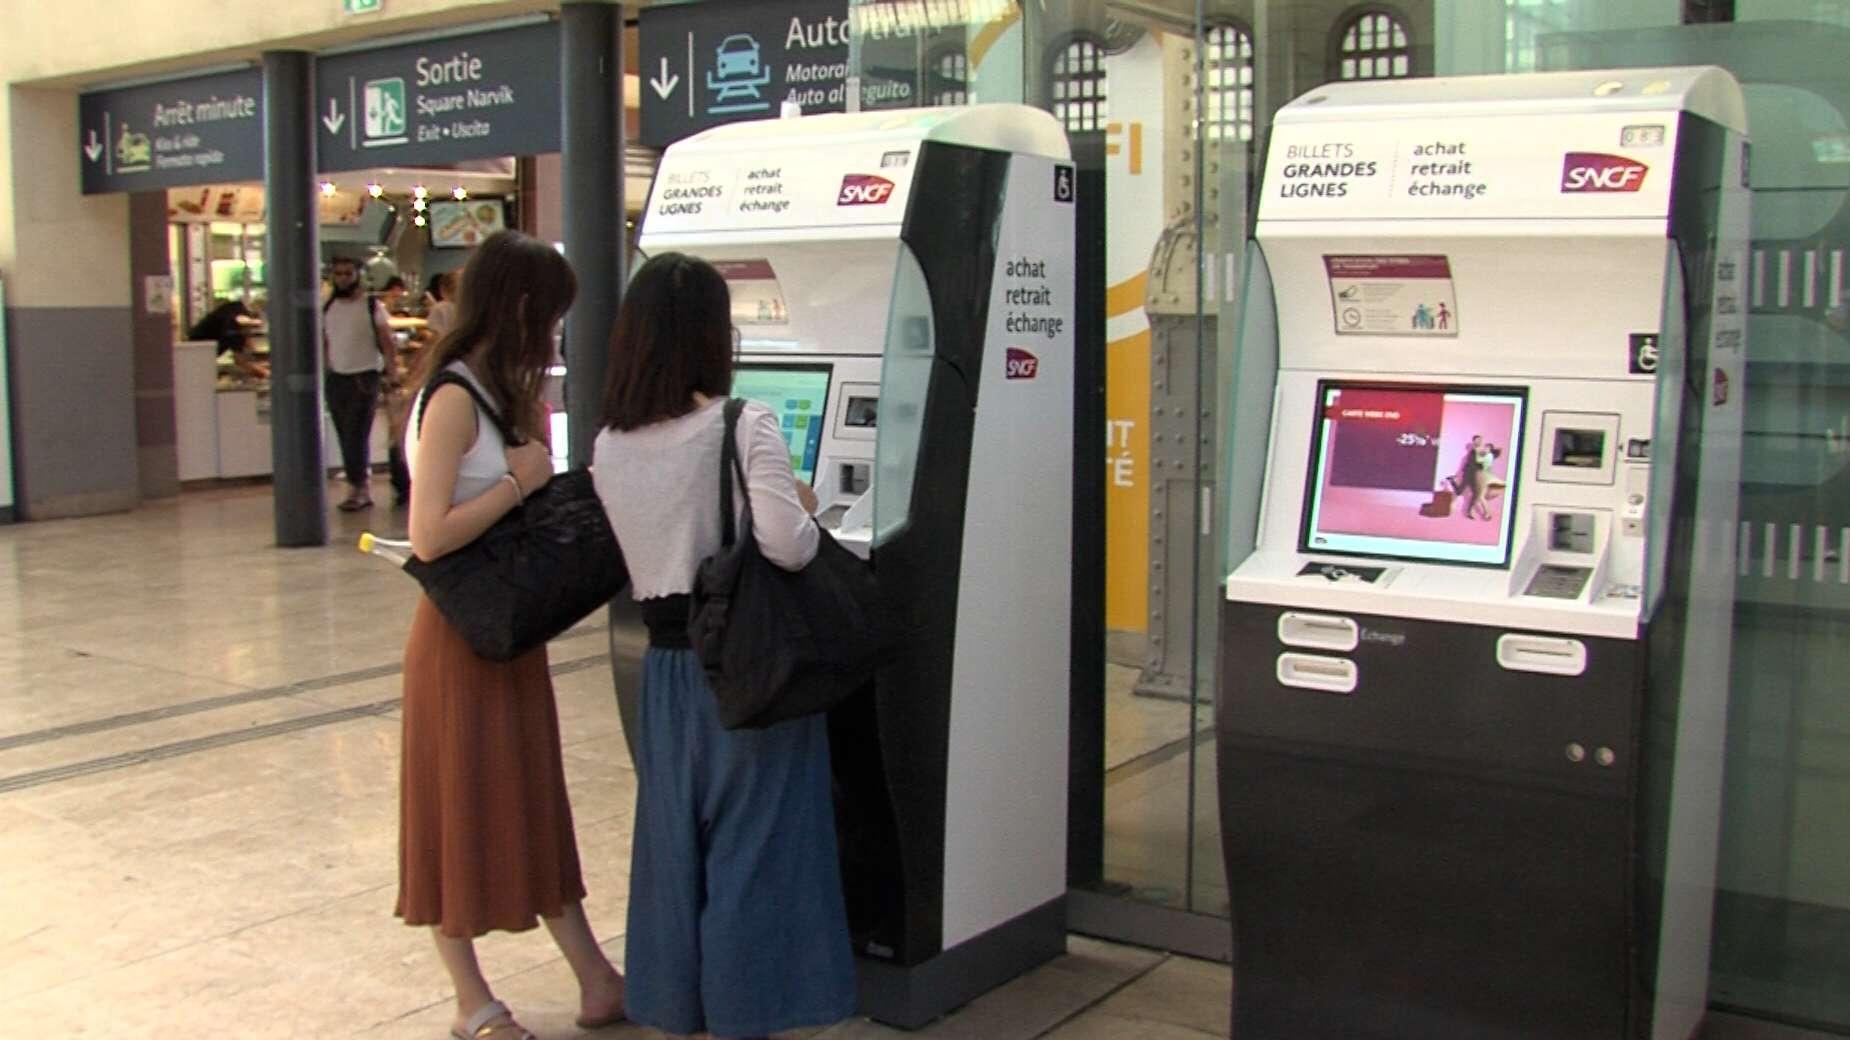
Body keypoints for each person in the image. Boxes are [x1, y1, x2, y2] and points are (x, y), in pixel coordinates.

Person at [592, 253, 855, 1040]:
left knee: (676, 846)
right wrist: (804, 501)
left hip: (666, 671)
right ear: (713, 336)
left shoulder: (611, 443)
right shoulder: (743, 425)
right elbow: (791, 549)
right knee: (757, 849)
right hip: (749, 668)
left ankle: (675, 1008)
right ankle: (749, 1014)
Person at [398, 231, 626, 1040]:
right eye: (553, 316)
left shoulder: (504, 392)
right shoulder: (454, 397)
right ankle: (473, 1002)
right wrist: (513, 481)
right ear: (522, 307)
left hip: (507, 632)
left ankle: (596, 976)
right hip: (461, 636)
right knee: (456, 806)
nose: (558, 334)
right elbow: (429, 534)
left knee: (529, 798)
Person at [324, 256, 402, 511]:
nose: (343, 278)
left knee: (356, 433)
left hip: (364, 376)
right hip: (337, 377)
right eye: (338, 273)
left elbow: (387, 341)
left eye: (348, 273)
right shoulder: (329, 306)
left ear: (358, 275)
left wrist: (392, 374)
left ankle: (359, 487)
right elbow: (326, 341)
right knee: (344, 432)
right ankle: (358, 484)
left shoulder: (371, 306)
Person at [187, 298, 268, 379]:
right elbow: (240, 360)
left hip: (197, 354)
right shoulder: (235, 327)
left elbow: (248, 347)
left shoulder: (235, 310)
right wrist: (266, 374)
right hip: (195, 357)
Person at [419, 271, 460, 346]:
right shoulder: (468, 308)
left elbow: (435, 337)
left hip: (444, 349)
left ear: (442, 289)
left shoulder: (440, 308)